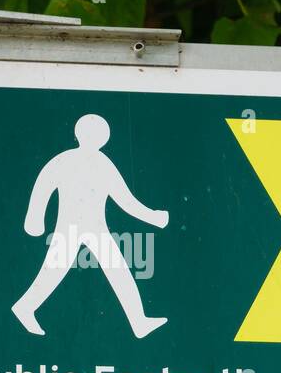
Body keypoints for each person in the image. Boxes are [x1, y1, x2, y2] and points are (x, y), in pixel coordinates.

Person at [11, 113, 169, 338]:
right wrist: (34, 218)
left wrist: (154, 217)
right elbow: (43, 185)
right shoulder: (68, 161)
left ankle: (139, 322)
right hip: (70, 227)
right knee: (54, 272)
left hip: (95, 228)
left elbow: (125, 200)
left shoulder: (100, 163)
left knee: (117, 271)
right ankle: (25, 308)